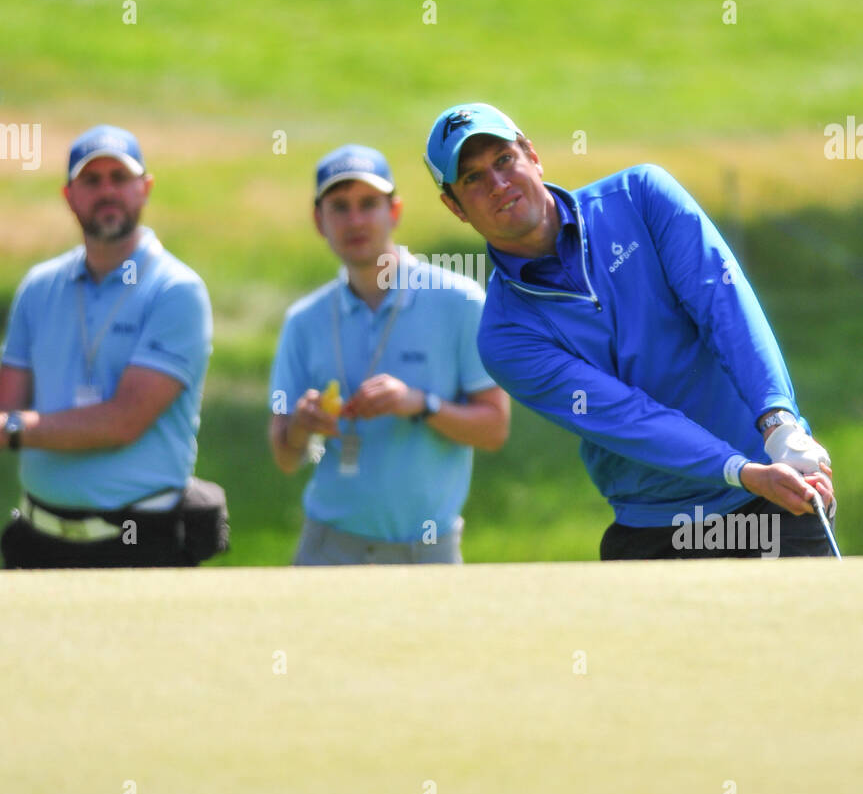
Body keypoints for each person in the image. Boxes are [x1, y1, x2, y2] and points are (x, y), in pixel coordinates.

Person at [424, 103, 837, 560]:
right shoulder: (505, 336)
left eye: (503, 160)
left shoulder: (640, 196)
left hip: (779, 487)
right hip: (659, 528)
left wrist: (778, 422)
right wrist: (739, 471)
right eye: (472, 178)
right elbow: (628, 417)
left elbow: (726, 309)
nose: (498, 184)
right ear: (454, 206)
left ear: (532, 154)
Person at [268, 144, 510, 565]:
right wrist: (301, 427)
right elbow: (285, 457)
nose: (355, 220)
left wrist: (418, 404)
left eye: (368, 204)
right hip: (326, 550)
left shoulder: (461, 301)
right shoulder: (303, 320)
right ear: (318, 220)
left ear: (394, 212)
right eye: (339, 207)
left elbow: (494, 430)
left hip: (428, 551)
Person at [0, 125, 218, 569]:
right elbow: (7, 402)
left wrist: (16, 428)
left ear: (145, 188)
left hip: (140, 543)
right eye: (91, 181)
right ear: (69, 195)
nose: (107, 192)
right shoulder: (40, 286)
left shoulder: (176, 290)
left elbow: (124, 421)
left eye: (120, 178)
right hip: (37, 538)